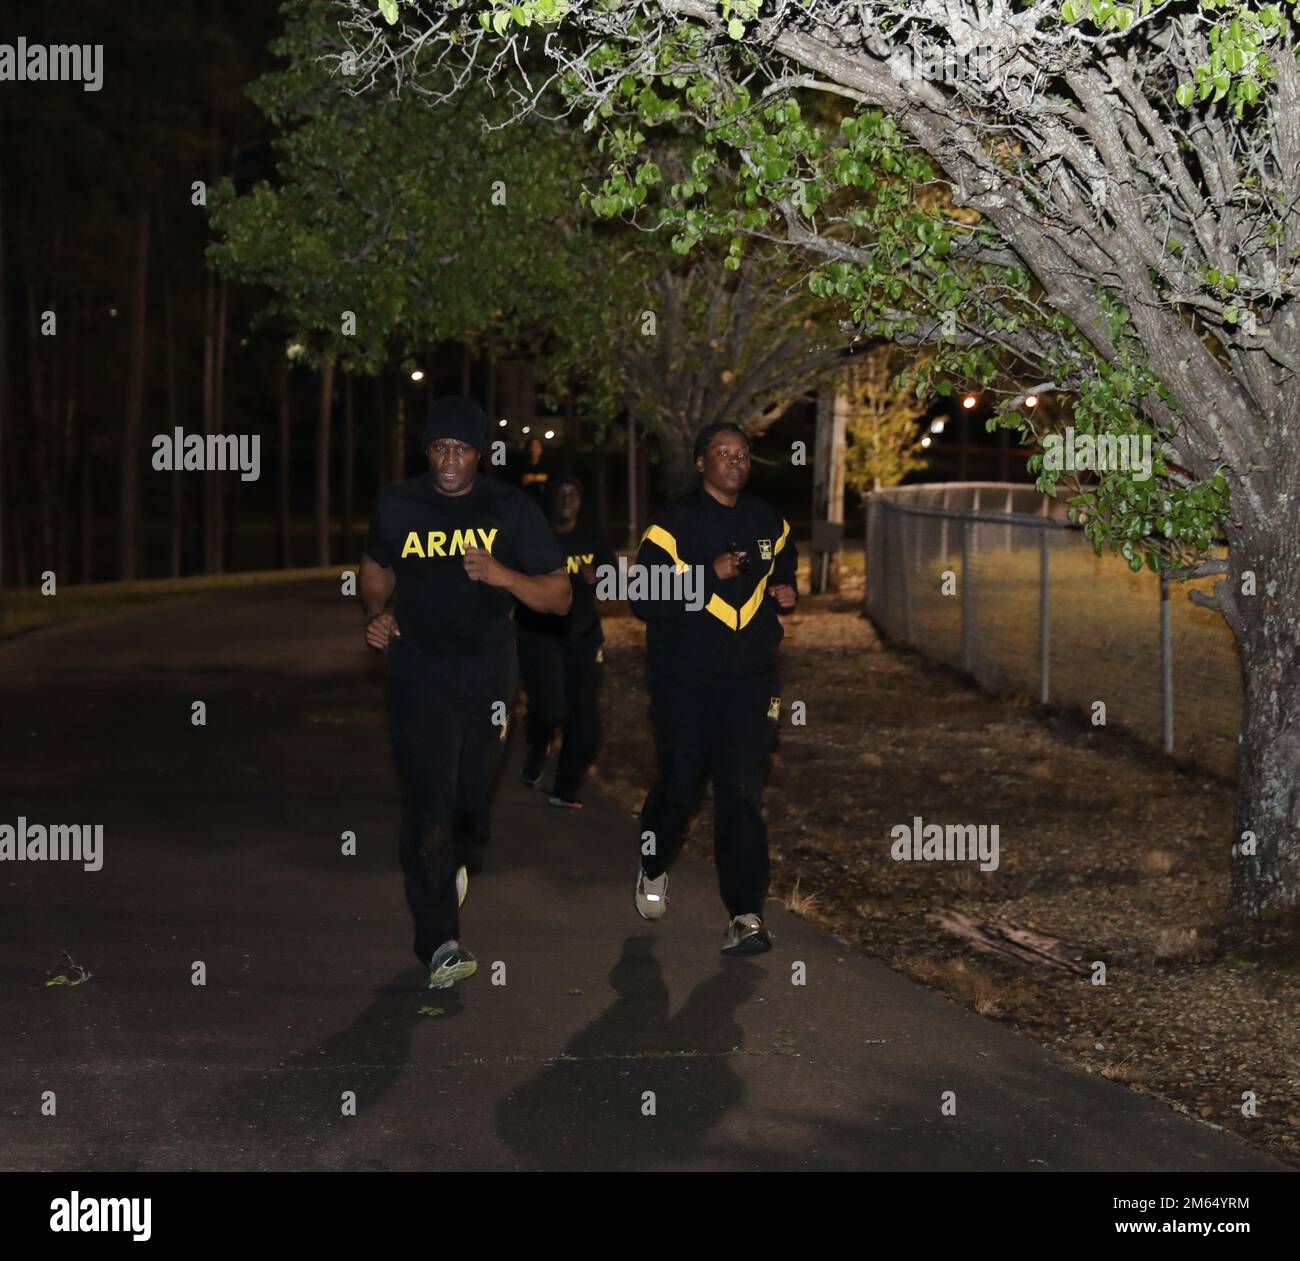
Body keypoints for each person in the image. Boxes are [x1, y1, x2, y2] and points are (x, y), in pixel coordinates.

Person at [360, 396, 571, 990]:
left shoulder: (511, 508)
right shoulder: (398, 504)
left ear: (480, 453)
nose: (449, 459)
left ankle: (459, 853)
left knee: (469, 804)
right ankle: (440, 943)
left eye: (462, 448)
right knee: (428, 804)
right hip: (417, 668)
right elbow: (375, 565)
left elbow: (559, 598)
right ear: (426, 450)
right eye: (439, 447)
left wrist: (503, 575)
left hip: (488, 673)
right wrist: (377, 611)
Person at [629, 422, 797, 956]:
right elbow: (641, 597)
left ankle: (745, 914)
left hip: (749, 683)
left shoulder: (767, 520)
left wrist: (786, 591)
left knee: (740, 789)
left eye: (743, 455)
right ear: (701, 462)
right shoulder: (672, 525)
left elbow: (782, 563)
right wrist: (708, 574)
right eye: (723, 454)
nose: (735, 462)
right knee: (681, 783)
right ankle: (653, 863)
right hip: (685, 684)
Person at [516, 472, 617, 808]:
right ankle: (539, 743)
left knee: (584, 719)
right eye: (560, 492)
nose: (566, 499)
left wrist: (600, 577)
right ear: (550, 498)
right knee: (550, 709)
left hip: (584, 636)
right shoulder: (534, 536)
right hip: (540, 633)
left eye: (573, 493)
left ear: (581, 500)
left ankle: (564, 789)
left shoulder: (592, 536)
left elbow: (611, 583)